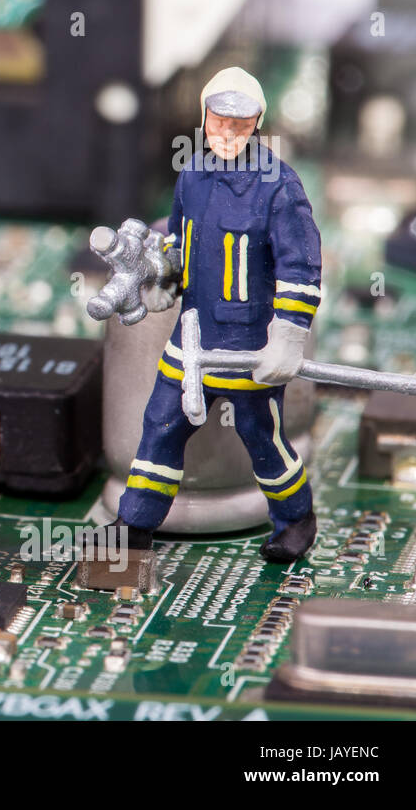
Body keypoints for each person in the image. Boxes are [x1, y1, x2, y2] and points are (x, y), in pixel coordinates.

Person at [110, 66, 321, 562]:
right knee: (160, 425)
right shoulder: (192, 176)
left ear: (257, 123)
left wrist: (288, 338)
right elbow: (179, 241)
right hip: (192, 336)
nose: (228, 131)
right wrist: (166, 278)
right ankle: (135, 524)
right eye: (218, 119)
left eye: (241, 122)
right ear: (203, 118)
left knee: (262, 438)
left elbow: (302, 267)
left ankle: (296, 520)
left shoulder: (281, 187)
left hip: (250, 347)